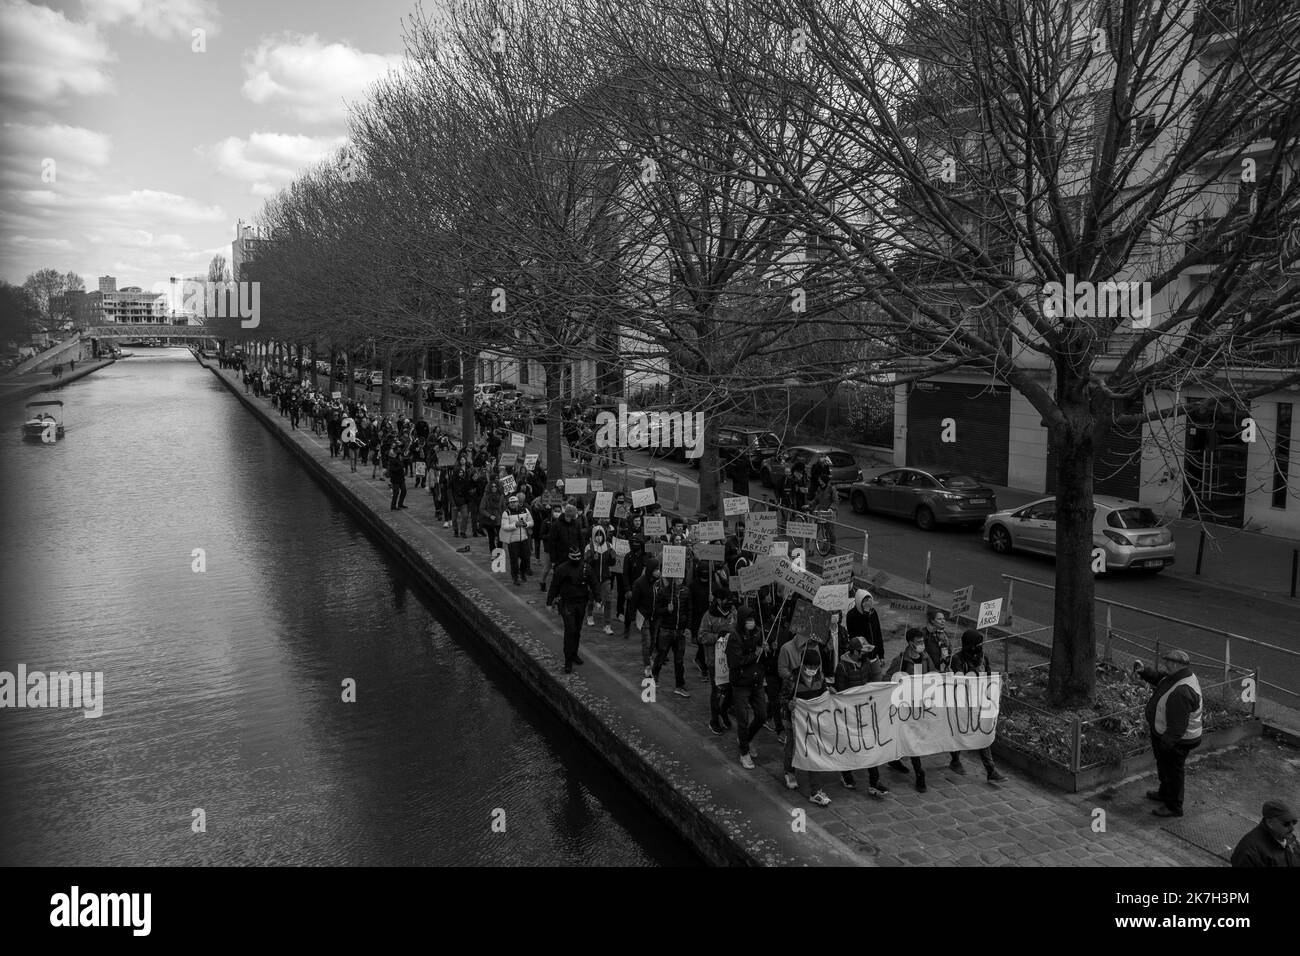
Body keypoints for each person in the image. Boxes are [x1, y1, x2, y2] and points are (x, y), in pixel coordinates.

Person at [1134, 649, 1203, 818]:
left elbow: (1177, 726)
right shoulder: (1178, 677)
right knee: (1165, 767)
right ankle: (1165, 793)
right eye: (1167, 662)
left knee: (1173, 772)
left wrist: (1166, 743)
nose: (1166, 664)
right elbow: (1160, 679)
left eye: (1169, 663)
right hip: (1167, 735)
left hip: (1175, 740)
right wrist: (1144, 671)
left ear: (1178, 665)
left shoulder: (1181, 691)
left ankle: (1173, 806)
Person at [778, 617, 834, 806]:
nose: (812, 670)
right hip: (794, 720)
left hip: (813, 721)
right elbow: (782, 699)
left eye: (815, 667)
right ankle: (789, 771)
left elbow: (824, 691)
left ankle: (815, 790)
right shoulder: (792, 680)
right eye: (809, 667)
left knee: (814, 751)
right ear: (802, 666)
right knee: (792, 745)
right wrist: (789, 705)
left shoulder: (819, 677)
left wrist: (829, 693)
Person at [946, 629, 1007, 782]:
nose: (981, 646)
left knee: (982, 733)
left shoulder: (983, 658)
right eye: (978, 643)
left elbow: (988, 676)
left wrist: (998, 679)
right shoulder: (957, 659)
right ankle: (955, 759)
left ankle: (990, 769)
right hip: (961, 703)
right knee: (958, 732)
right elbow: (959, 680)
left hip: (979, 702)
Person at [833, 637, 889, 796]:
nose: (865, 654)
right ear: (855, 652)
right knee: (849, 743)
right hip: (849, 713)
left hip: (865, 710)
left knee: (870, 743)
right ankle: (846, 773)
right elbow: (842, 693)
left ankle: (874, 781)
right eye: (863, 651)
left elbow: (874, 680)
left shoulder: (866, 662)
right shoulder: (842, 668)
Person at [886, 627, 937, 791]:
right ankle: (919, 773)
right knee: (911, 738)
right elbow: (887, 679)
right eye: (919, 642)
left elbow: (933, 672)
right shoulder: (900, 661)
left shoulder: (925, 657)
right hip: (904, 706)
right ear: (910, 643)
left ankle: (895, 759)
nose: (922, 645)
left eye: (923, 642)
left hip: (920, 705)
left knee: (911, 736)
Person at [726, 607, 767, 768]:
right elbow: (735, 662)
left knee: (762, 715)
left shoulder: (757, 632)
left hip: (756, 681)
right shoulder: (734, 636)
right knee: (742, 719)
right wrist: (755, 654)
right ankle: (744, 752)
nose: (751, 622)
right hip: (741, 683)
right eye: (748, 619)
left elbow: (761, 651)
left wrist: (766, 649)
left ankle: (746, 738)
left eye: (753, 619)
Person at [650, 560, 692, 698]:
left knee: (679, 661)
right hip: (666, 630)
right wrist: (666, 610)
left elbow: (689, 610)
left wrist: (687, 627)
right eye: (678, 577)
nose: (680, 579)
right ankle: (654, 676)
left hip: (680, 632)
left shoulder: (686, 592)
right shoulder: (664, 592)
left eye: (682, 577)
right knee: (661, 656)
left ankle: (680, 685)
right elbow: (656, 611)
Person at [547, 547, 590, 673]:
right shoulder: (562, 569)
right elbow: (554, 585)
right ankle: (568, 660)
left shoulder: (585, 568)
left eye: (579, 557)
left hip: (581, 602)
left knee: (577, 630)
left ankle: (574, 654)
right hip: (566, 603)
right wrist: (549, 602)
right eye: (574, 557)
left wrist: (598, 598)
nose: (577, 560)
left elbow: (593, 582)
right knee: (570, 630)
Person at [700, 591, 736, 734]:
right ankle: (714, 721)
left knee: (731, 690)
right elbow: (701, 636)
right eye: (727, 600)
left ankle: (723, 711)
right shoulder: (708, 616)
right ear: (719, 600)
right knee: (716, 691)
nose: (730, 603)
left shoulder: (733, 612)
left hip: (731, 659)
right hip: (714, 661)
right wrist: (717, 636)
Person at [624, 555, 665, 679]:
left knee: (653, 641)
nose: (658, 571)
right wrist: (631, 616)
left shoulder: (660, 583)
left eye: (659, 569)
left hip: (656, 616)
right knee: (646, 642)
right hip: (644, 616)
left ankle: (649, 657)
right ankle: (647, 666)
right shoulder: (639, 583)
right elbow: (634, 601)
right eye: (656, 569)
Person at [1230, 799, 1297, 867]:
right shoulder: (1248, 851)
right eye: (1286, 823)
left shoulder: (1288, 839)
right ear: (1270, 823)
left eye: (1294, 822)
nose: (1292, 828)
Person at [583, 525, 618, 634]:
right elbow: (586, 562)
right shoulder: (589, 547)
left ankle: (607, 624)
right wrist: (592, 558)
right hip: (593, 578)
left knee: (608, 600)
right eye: (597, 535)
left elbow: (612, 563)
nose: (599, 537)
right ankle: (589, 615)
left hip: (606, 578)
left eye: (601, 535)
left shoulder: (609, 546)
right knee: (590, 598)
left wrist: (613, 557)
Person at [501, 494, 534, 585]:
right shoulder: (506, 513)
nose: (512, 504)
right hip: (512, 541)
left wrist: (525, 524)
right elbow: (504, 527)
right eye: (511, 503)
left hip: (524, 539)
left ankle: (523, 573)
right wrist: (515, 525)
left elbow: (531, 522)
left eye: (514, 502)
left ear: (518, 503)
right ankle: (515, 577)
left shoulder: (525, 510)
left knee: (526, 558)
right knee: (514, 560)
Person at [845, 589, 886, 661]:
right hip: (861, 656)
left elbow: (878, 634)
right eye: (865, 601)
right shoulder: (851, 615)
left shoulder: (873, 613)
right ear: (859, 602)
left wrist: (881, 655)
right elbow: (854, 637)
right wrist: (865, 615)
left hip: (874, 655)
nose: (868, 603)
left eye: (869, 600)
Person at [923, 608, 953, 673]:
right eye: (939, 619)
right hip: (928, 671)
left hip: (943, 670)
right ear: (932, 620)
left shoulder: (944, 634)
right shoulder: (925, 634)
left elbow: (949, 650)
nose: (943, 621)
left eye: (944, 619)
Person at [479, 479, 505, 552]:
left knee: (500, 538)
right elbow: (481, 509)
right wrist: (489, 515)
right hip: (489, 520)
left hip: (499, 519)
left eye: (495, 486)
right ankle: (493, 552)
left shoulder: (501, 496)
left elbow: (503, 507)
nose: (494, 488)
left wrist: (504, 517)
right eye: (492, 486)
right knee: (491, 538)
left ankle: (499, 552)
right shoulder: (486, 497)